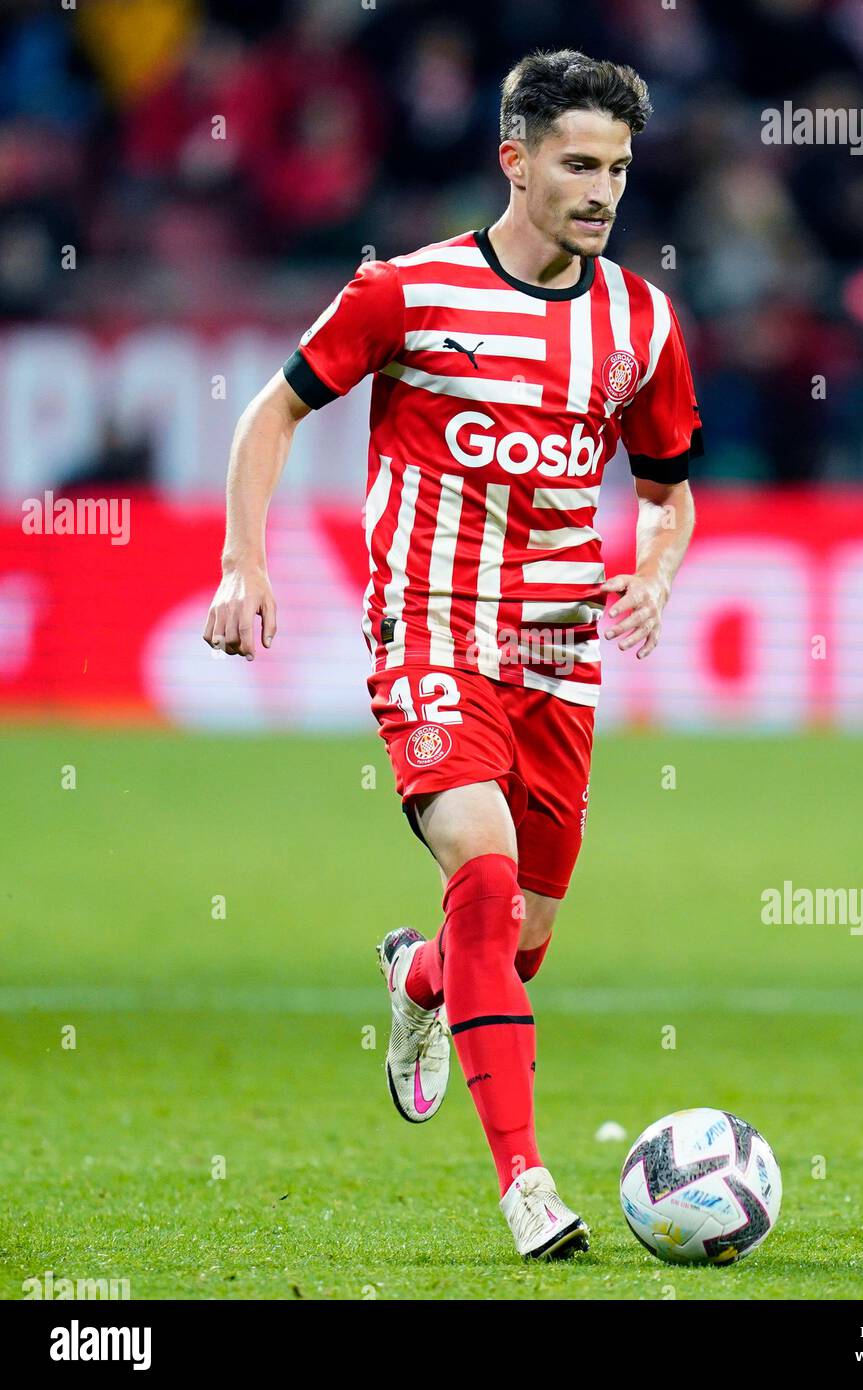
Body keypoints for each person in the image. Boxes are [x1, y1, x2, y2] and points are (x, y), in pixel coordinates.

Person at [203, 48, 702, 1260]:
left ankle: (420, 979)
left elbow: (669, 488)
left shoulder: (640, 320)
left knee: (516, 944)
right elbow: (272, 409)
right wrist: (243, 562)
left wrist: (650, 570)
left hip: (559, 650)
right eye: (577, 164)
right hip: (428, 629)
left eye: (618, 169)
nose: (600, 190)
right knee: (480, 869)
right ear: (512, 160)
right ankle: (526, 1182)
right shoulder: (406, 292)